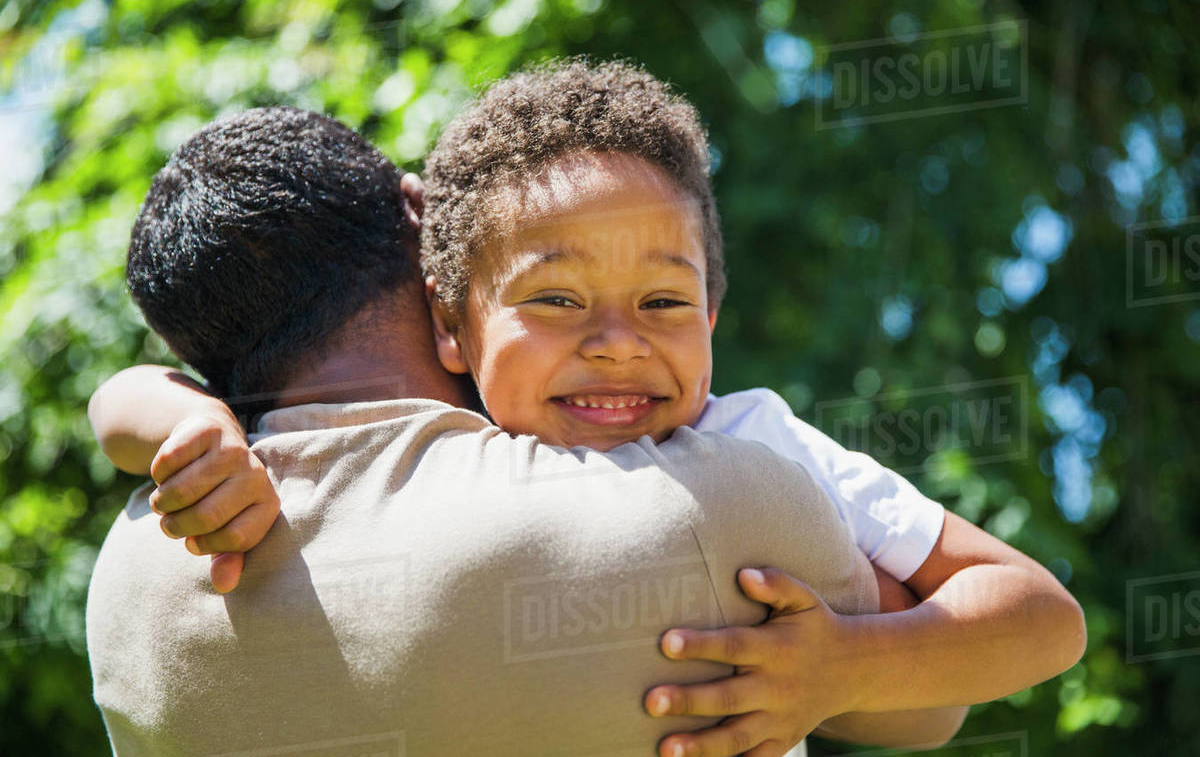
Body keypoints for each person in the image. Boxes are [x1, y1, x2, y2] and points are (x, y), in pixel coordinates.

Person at [87, 101, 1083, 757]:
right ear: (449, 311)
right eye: (556, 298)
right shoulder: (706, 492)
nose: (613, 346)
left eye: (662, 302)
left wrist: (847, 665)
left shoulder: (749, 435)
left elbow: (1036, 615)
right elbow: (929, 714)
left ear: (713, 319)